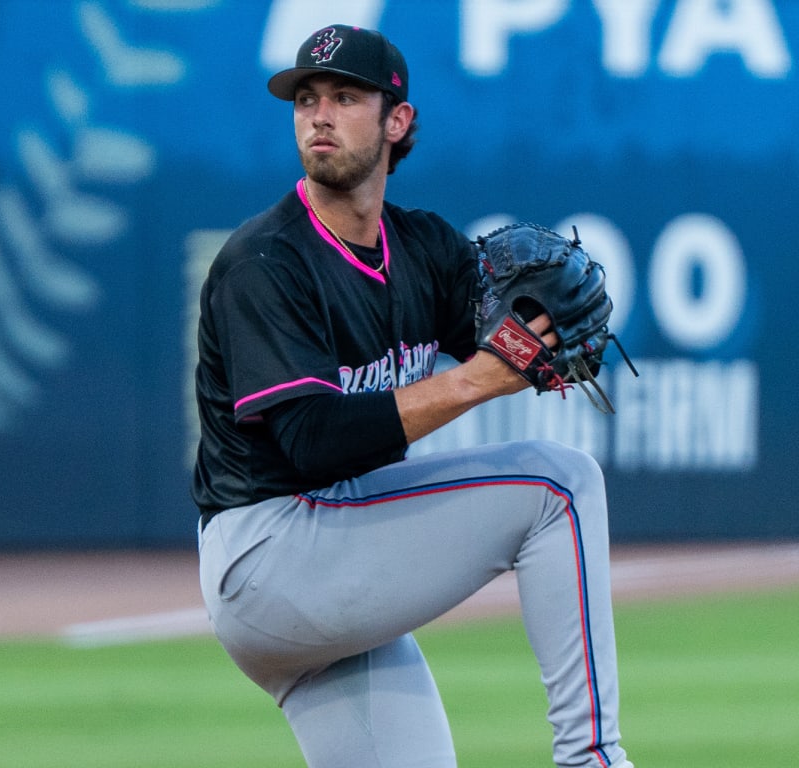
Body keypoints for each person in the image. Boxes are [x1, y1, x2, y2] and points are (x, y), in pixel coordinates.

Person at [191, 24, 633, 768]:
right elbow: (313, 440)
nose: (318, 114)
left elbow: (513, 328)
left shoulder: (423, 249)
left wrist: (549, 338)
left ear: (397, 122)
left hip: (332, 570)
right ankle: (593, 758)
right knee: (559, 485)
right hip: (270, 552)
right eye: (305, 98)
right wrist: (478, 378)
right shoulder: (265, 263)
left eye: (343, 96)